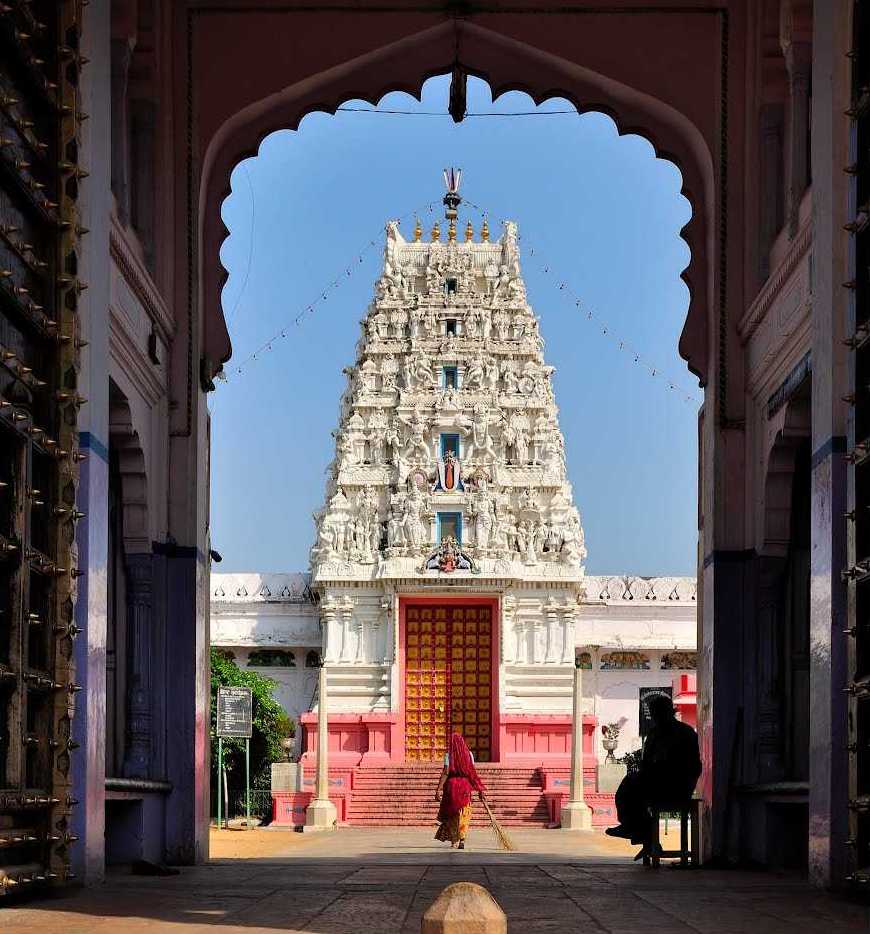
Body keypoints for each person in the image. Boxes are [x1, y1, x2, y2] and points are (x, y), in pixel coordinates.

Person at [605, 695, 701, 860]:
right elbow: (646, 762)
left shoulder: (684, 733)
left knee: (631, 788)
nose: (656, 717)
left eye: (658, 713)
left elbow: (693, 766)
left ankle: (640, 833)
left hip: (677, 786)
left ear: (667, 713)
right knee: (630, 790)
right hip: (657, 783)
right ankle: (645, 837)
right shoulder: (656, 733)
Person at [434, 732, 486, 849]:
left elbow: (446, 772)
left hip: (451, 787)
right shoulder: (469, 754)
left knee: (453, 814)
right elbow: (472, 773)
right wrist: (480, 789)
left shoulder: (449, 755)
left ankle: (454, 840)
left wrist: (438, 789)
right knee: (464, 813)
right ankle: (462, 838)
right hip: (465, 786)